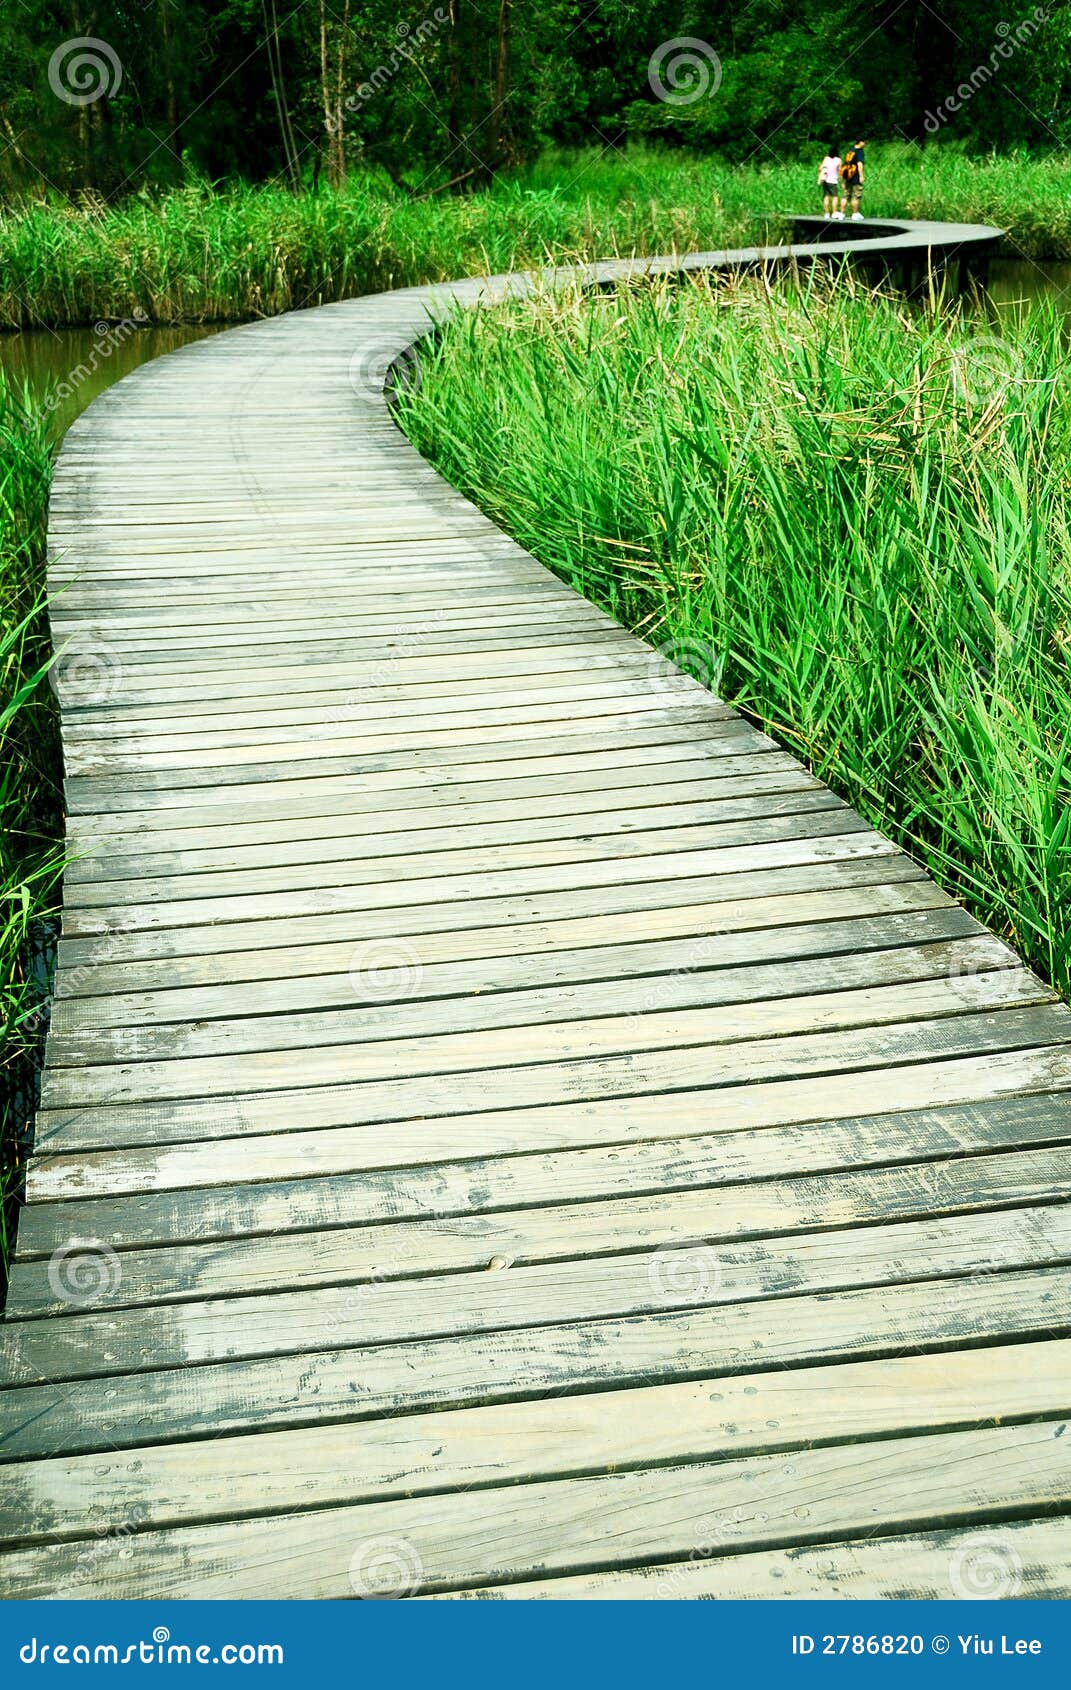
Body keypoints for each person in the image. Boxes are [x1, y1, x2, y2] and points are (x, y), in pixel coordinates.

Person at [840, 140, 866, 219]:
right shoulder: (859, 151)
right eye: (864, 142)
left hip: (847, 176)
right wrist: (861, 176)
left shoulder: (850, 151)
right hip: (855, 176)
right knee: (856, 195)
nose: (865, 144)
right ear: (860, 142)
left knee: (845, 195)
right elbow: (859, 164)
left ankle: (841, 213)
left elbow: (844, 165)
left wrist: (842, 180)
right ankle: (855, 214)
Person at [816, 145, 841, 218]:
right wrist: (841, 181)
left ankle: (826, 213)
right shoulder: (838, 160)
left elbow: (820, 168)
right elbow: (840, 171)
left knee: (826, 196)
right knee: (835, 197)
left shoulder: (826, 158)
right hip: (833, 181)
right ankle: (834, 212)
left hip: (825, 180)